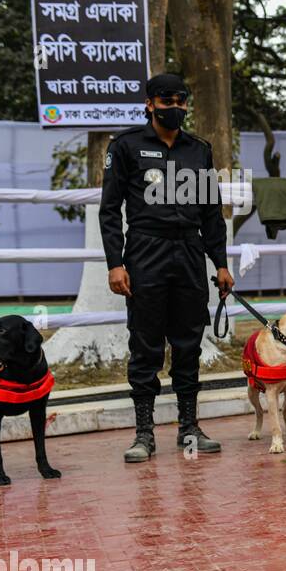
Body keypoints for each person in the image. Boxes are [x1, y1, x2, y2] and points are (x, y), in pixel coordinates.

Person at [101, 72, 232, 464]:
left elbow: (211, 213)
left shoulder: (199, 149)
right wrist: (115, 264)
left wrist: (221, 263)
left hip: (189, 252)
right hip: (145, 250)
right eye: (166, 101)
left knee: (189, 342)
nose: (174, 108)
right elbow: (110, 211)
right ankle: (143, 434)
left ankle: (189, 428)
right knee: (145, 344)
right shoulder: (125, 146)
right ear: (149, 104)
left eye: (180, 101)